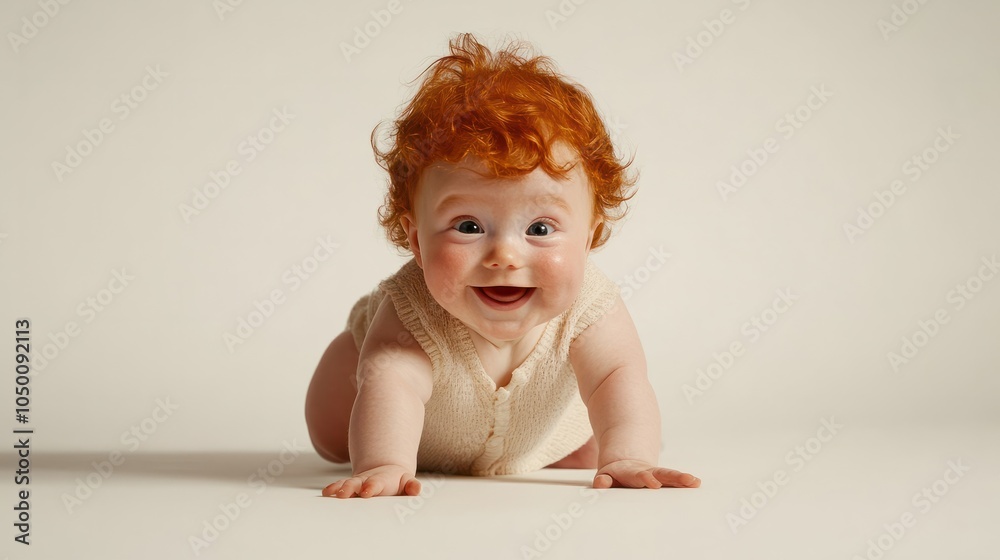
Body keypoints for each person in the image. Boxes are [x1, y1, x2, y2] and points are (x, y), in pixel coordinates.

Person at [305, 33, 701, 498]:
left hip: (534, 430)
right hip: (409, 427)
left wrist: (629, 454)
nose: (504, 256)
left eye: (539, 228)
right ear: (416, 241)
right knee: (333, 432)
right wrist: (384, 462)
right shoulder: (411, 308)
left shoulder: (592, 306)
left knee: (600, 441)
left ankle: (571, 448)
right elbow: (394, 383)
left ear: (589, 238)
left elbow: (618, 377)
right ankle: (357, 393)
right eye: (469, 226)